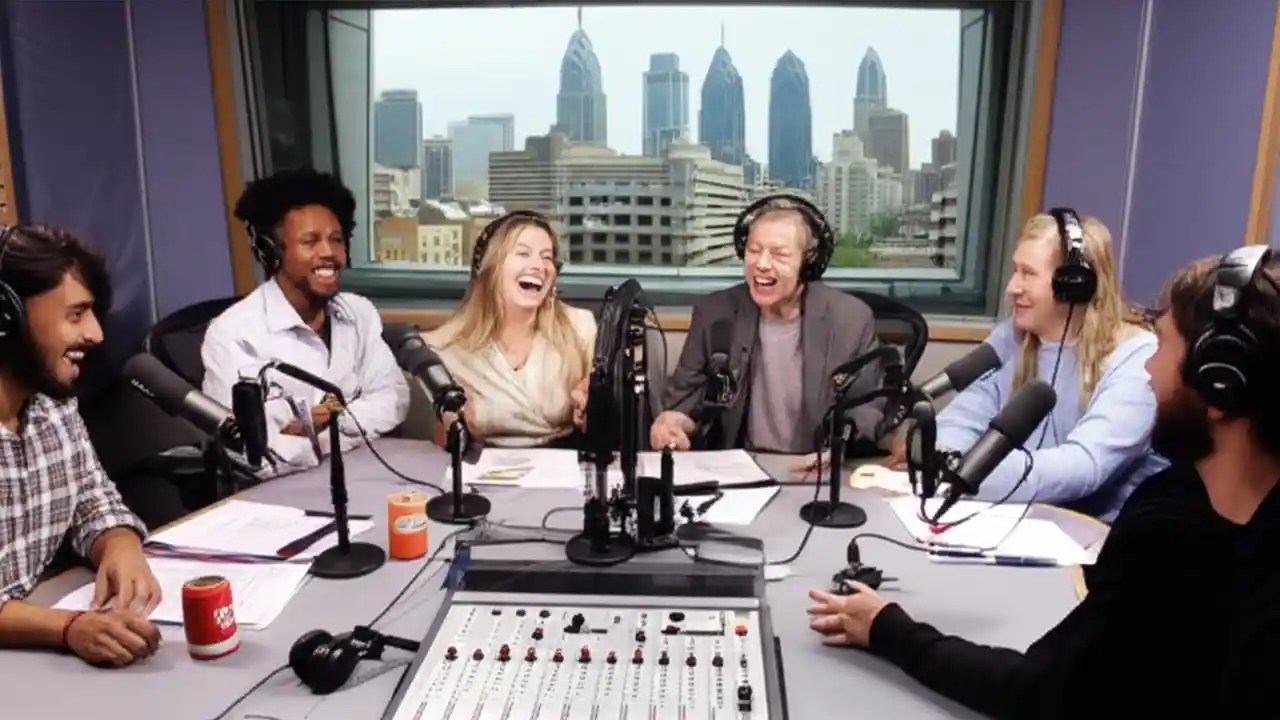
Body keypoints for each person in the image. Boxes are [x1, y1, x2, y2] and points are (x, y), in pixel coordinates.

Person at [808, 246, 1280, 718]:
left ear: (1220, 383)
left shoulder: (1172, 540)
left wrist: (889, 629)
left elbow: (1043, 690)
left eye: (1161, 345)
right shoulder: (1181, 498)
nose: (1149, 372)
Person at [888, 209, 1166, 521]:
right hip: (1008, 516)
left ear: (1073, 284)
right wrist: (946, 458)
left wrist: (967, 472)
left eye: (1028, 274)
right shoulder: (1014, 339)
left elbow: (1084, 465)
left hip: (1090, 536)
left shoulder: (1136, 357)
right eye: (1014, 271)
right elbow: (961, 419)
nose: (1012, 288)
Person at [0, 225, 162, 667]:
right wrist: (67, 628)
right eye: (76, 314)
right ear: (6, 318)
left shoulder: (55, 407)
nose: (96, 334)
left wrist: (119, 544)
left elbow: (92, 499)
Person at [651, 194, 885, 466]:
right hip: (739, 470)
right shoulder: (714, 314)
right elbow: (683, 404)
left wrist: (839, 444)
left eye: (779, 254)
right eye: (753, 250)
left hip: (819, 470)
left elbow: (871, 407)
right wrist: (672, 423)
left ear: (807, 262)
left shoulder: (850, 319)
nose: (761, 264)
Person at [202, 169, 410, 471]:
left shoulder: (358, 312)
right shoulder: (233, 334)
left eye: (336, 240)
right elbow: (252, 452)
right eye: (310, 241)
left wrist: (321, 423)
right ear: (270, 252)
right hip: (280, 494)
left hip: (361, 469)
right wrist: (347, 425)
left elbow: (393, 399)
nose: (328, 253)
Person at [425, 210, 595, 447]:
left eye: (547, 257)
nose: (539, 266)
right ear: (489, 269)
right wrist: (452, 425)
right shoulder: (442, 348)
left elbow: (603, 418)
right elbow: (439, 443)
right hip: (480, 471)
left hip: (564, 468)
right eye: (523, 253)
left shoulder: (580, 327)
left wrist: (593, 409)